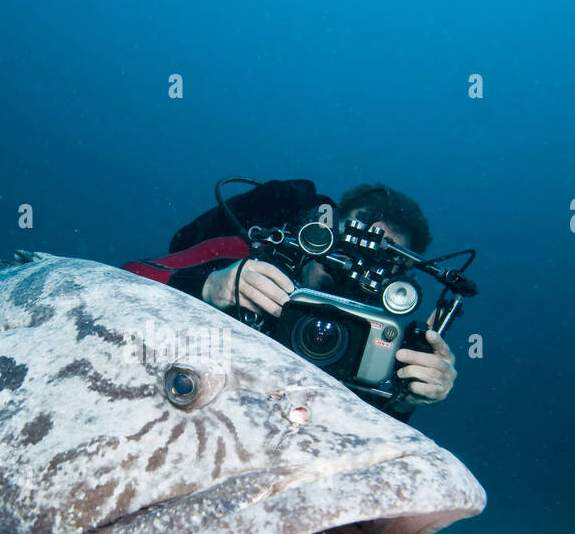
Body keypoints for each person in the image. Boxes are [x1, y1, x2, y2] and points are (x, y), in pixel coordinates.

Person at [123, 178, 457, 420]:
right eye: (345, 250)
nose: (348, 272)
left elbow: (364, 437)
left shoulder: (383, 344)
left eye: (375, 266)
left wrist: (407, 396)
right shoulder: (251, 260)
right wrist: (212, 286)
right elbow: (122, 281)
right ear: (322, 230)